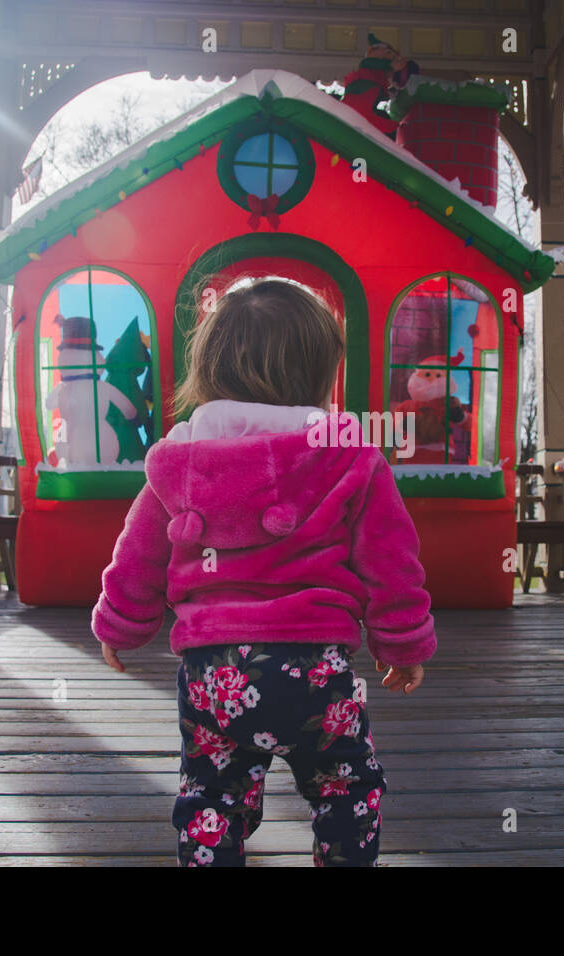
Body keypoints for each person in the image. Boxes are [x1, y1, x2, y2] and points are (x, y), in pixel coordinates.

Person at [91, 278, 436, 867]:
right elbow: (390, 558)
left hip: (213, 673)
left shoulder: (181, 455)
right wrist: (400, 641)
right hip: (315, 669)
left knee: (212, 796)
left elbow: (139, 553)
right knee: (345, 787)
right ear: (319, 373)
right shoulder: (348, 453)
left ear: (210, 367)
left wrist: (121, 624)